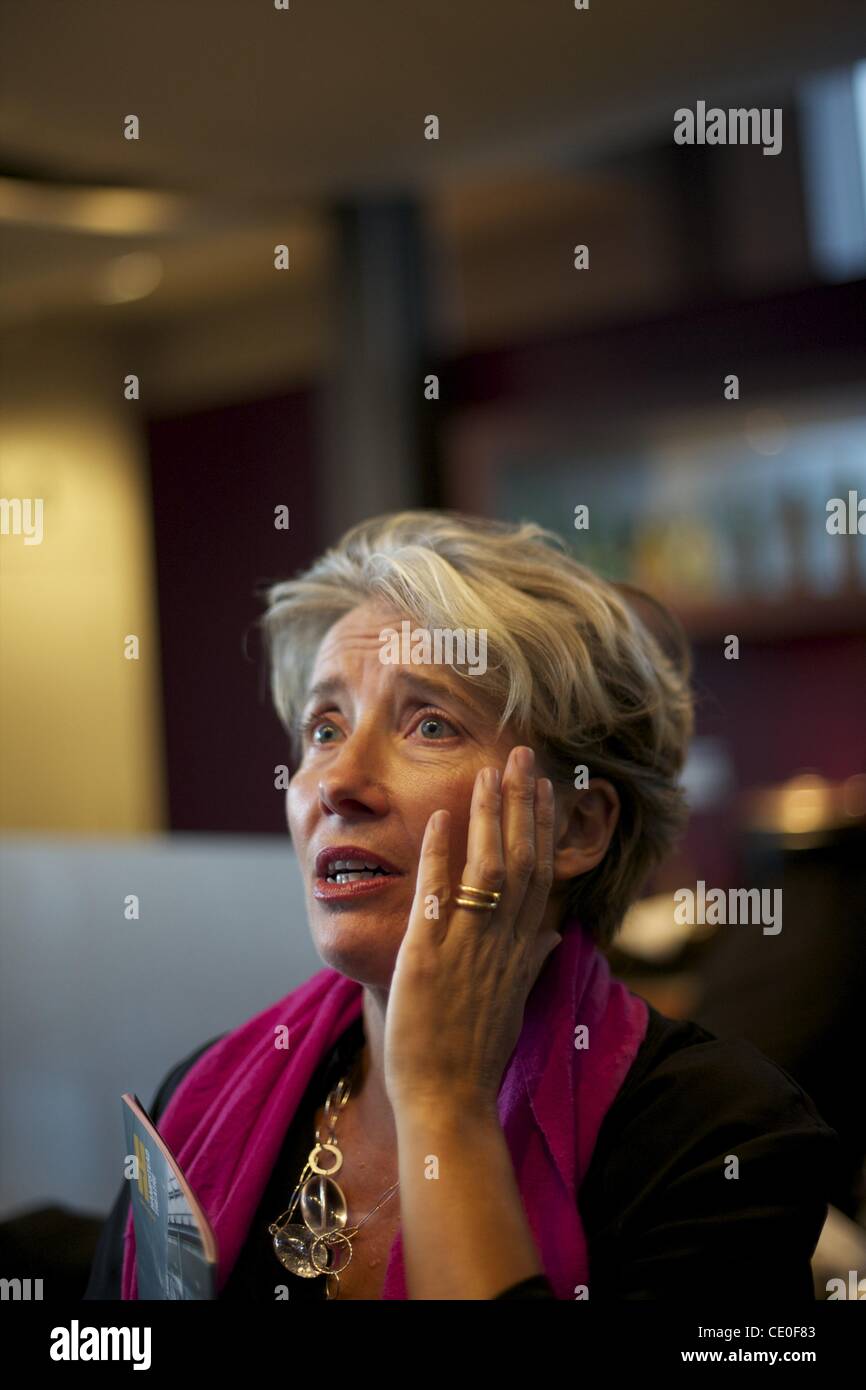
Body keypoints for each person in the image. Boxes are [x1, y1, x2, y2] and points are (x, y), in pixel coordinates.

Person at [85, 510, 839, 1301]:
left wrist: (446, 1103)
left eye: (430, 724)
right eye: (324, 728)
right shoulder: (199, 1095)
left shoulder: (719, 1136)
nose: (337, 783)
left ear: (578, 825)